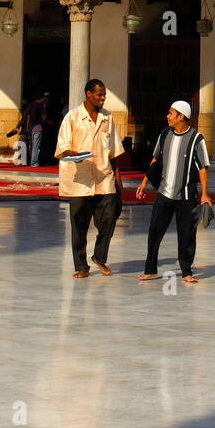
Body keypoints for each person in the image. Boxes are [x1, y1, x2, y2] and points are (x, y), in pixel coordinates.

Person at [55, 78, 124, 279]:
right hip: (80, 181)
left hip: (104, 177)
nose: (103, 98)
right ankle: (81, 266)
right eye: (99, 94)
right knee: (79, 225)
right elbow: (62, 148)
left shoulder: (107, 118)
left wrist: (119, 181)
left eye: (104, 95)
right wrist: (75, 154)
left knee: (110, 218)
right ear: (88, 94)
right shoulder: (72, 117)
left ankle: (100, 257)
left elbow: (114, 151)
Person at [136, 100, 211, 285]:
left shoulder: (197, 139)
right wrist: (144, 181)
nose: (167, 116)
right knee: (154, 232)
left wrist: (205, 194)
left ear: (181, 117)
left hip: (186, 196)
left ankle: (186, 271)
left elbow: (203, 168)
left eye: (171, 113)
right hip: (164, 193)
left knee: (186, 236)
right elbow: (155, 160)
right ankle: (150, 269)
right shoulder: (164, 135)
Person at [26, 92, 47, 168]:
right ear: (41, 98)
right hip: (38, 127)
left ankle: (32, 161)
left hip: (31, 127)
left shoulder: (30, 105)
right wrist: (44, 108)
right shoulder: (40, 106)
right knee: (36, 146)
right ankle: (34, 162)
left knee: (32, 146)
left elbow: (28, 117)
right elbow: (44, 118)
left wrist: (27, 127)